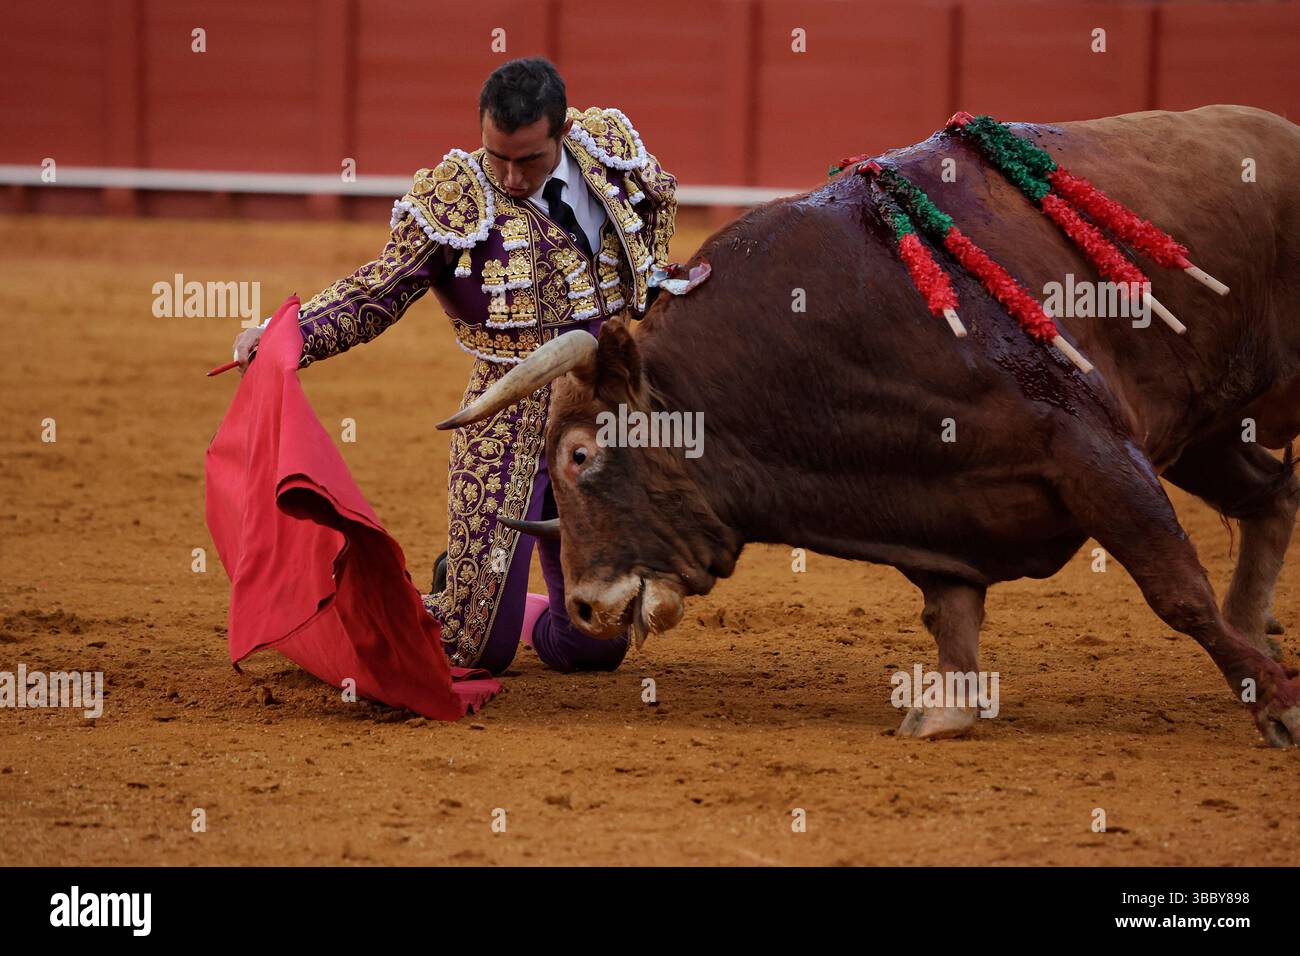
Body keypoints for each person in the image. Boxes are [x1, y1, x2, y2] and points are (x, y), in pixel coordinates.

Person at [231, 57, 677, 675]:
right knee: (475, 648)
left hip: (601, 417)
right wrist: (288, 337)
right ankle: (460, 594)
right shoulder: (455, 201)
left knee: (592, 641)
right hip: (504, 413)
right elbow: (377, 291)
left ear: (564, 130)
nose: (513, 178)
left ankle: (521, 603)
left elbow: (658, 211)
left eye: (530, 160)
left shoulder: (607, 157)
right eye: (498, 158)